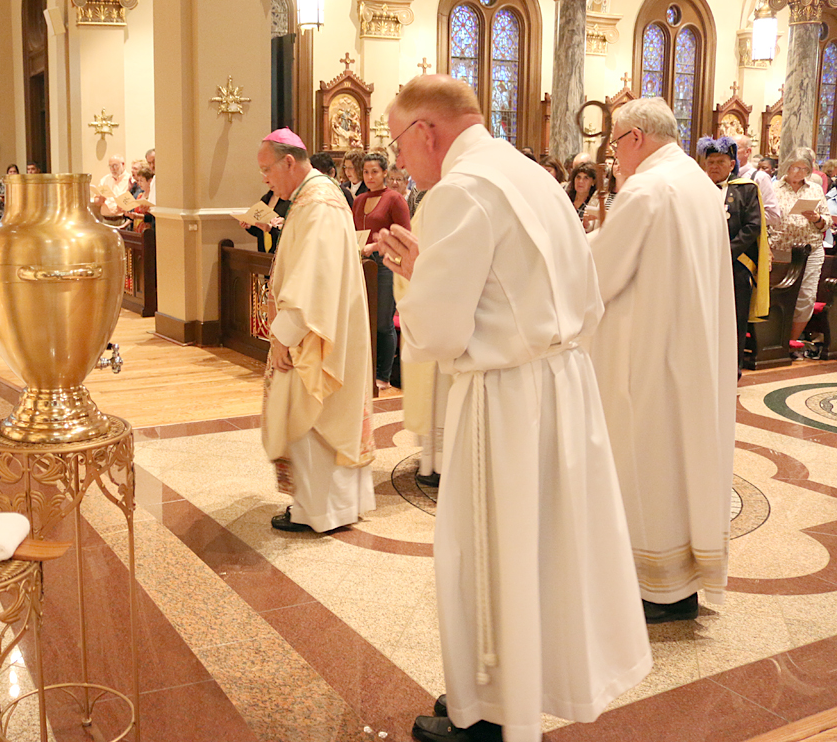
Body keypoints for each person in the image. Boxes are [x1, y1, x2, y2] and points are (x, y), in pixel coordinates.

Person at [375, 75, 650, 742]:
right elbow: (566, 291)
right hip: (562, 383)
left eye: (397, 143)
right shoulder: (532, 176)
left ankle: (488, 713)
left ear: (426, 132)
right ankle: (510, 691)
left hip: (503, 401)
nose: (398, 160)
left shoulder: (458, 191)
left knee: (488, 553)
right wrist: (431, 274)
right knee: (542, 548)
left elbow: (440, 334)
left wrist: (409, 281)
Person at [588, 97, 736, 625]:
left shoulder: (647, 188)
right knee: (686, 459)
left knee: (648, 461)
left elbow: (601, 273)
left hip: (652, 354)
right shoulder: (697, 182)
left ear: (635, 137)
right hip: (693, 350)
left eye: (615, 144)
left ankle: (658, 588)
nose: (614, 156)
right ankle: (683, 582)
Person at [257, 128, 376, 535]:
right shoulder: (315, 196)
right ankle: (331, 505)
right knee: (313, 415)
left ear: (289, 161)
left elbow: (312, 282)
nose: (265, 179)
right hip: (321, 326)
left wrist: (283, 337)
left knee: (311, 415)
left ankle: (319, 511)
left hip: (312, 334)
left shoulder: (317, 204)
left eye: (267, 170)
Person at [699, 136, 768, 373]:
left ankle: (732, 369)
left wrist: (726, 253)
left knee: (734, 320)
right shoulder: (697, 189)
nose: (714, 166)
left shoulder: (746, 189)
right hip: (702, 264)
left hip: (736, 265)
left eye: (720, 162)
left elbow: (752, 226)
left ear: (731, 164)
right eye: (711, 162)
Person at [353, 151, 410, 388]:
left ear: (385, 173)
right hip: (362, 263)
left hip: (386, 263)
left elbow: (404, 234)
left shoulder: (394, 199)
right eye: (366, 172)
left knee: (383, 321)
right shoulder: (359, 199)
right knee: (365, 319)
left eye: (374, 172)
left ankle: (383, 375)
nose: (369, 176)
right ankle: (367, 369)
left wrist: (375, 246)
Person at [769, 148, 830, 345]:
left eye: (804, 169)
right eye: (795, 167)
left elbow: (827, 221)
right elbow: (764, 218)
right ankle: (774, 342)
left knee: (806, 296)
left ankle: (791, 342)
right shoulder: (774, 188)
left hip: (809, 249)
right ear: (787, 167)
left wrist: (817, 218)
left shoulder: (815, 189)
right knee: (777, 296)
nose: (799, 172)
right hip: (780, 249)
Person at [735, 135, 778, 227]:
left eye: (736, 147)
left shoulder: (760, 177)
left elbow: (773, 216)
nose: (730, 152)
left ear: (747, 152)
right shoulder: (721, 176)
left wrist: (741, 218)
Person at [240, 189, 289, 253]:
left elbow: (289, 233)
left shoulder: (289, 201)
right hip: (263, 250)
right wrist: (250, 227)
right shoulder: (266, 198)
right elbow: (260, 232)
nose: (267, 183)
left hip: (280, 250)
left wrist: (271, 229)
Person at [96, 155, 133, 222]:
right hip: (105, 218)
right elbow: (97, 202)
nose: (113, 169)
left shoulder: (130, 180)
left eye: (115, 166)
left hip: (122, 218)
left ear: (123, 164)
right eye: (110, 166)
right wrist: (100, 200)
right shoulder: (105, 180)